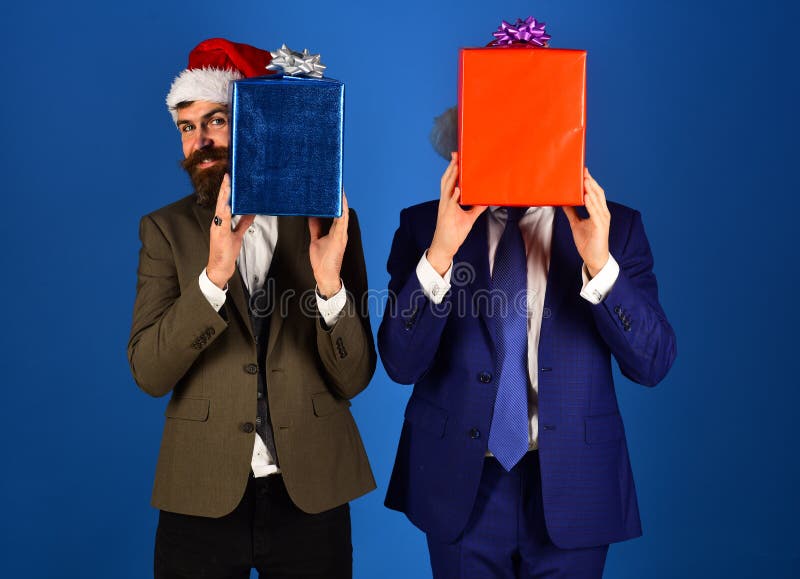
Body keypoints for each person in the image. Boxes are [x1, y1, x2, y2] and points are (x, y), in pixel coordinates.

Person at [128, 38, 376, 579]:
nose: (199, 141)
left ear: (254, 121)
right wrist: (214, 275)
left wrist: (329, 283)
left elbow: (355, 376)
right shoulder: (164, 231)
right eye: (187, 127)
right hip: (200, 490)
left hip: (312, 489)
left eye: (215, 120)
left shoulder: (326, 219)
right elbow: (149, 371)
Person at [378, 146, 677, 578]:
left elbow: (653, 363)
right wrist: (440, 253)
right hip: (461, 483)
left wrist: (600, 264)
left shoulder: (616, 228)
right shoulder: (425, 226)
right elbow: (399, 362)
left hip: (575, 483)